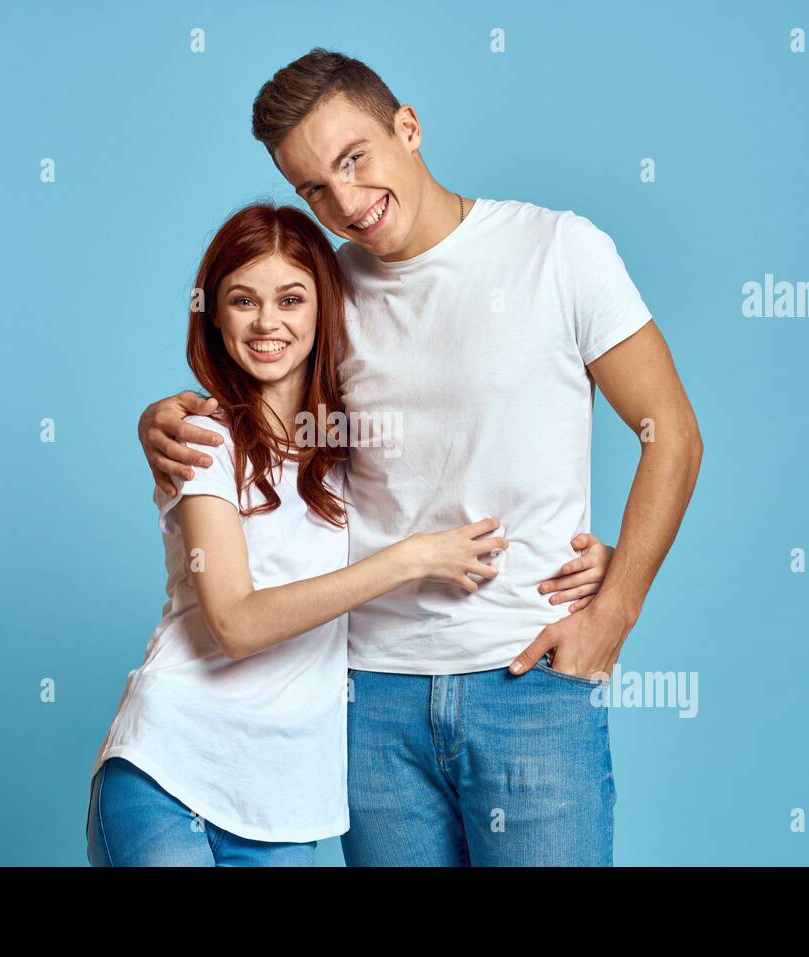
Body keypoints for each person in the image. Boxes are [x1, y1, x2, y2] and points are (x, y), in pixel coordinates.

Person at [139, 49, 703, 866]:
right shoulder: (322, 292)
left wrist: (616, 606)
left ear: (408, 125)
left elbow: (671, 432)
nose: (346, 202)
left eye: (354, 159)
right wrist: (158, 417)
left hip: (527, 680)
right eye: (314, 189)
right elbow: (247, 408)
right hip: (369, 698)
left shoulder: (559, 250)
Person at [88, 201, 619, 866]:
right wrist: (411, 560)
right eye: (242, 300)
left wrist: (589, 556)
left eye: (291, 298)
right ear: (214, 315)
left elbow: (461, 461)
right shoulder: (204, 439)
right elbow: (237, 622)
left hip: (283, 801)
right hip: (170, 766)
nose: (267, 322)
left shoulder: (345, 456)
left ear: (324, 310)